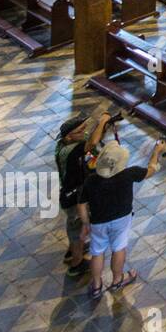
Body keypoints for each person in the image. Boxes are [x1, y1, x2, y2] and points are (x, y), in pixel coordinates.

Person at [78, 136, 166, 299]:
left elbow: (82, 204)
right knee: (118, 248)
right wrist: (156, 151)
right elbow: (151, 170)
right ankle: (117, 280)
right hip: (122, 219)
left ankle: (97, 285)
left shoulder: (91, 180)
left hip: (98, 222)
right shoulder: (129, 174)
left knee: (97, 252)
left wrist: (85, 224)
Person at [54, 111, 110, 279]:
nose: (85, 132)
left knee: (73, 226)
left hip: (69, 193)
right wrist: (102, 122)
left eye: (85, 128)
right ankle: (76, 264)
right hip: (74, 198)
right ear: (69, 137)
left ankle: (72, 252)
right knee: (78, 228)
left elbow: (91, 139)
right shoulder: (72, 149)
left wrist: (102, 126)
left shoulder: (62, 144)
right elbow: (92, 142)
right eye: (80, 130)